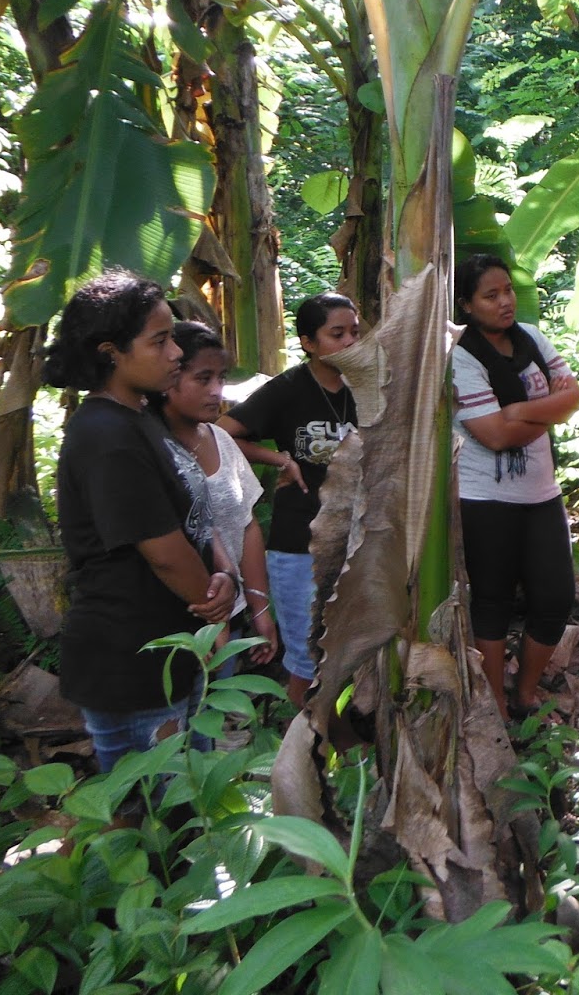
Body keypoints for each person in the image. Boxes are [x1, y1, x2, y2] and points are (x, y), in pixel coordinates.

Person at [43, 271, 235, 771]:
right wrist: (213, 606)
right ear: (111, 353)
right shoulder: (106, 435)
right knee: (155, 801)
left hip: (169, 648)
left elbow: (188, 521)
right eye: (160, 340)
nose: (176, 353)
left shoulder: (140, 418)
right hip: (132, 658)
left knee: (185, 793)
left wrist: (219, 577)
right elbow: (164, 552)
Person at [452, 254, 579, 722]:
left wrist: (519, 411)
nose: (505, 301)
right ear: (466, 305)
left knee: (555, 598)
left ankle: (526, 692)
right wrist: (549, 409)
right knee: (492, 602)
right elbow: (493, 435)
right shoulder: (460, 355)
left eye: (507, 290)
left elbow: (573, 397)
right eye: (491, 295)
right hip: (485, 499)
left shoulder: (531, 338)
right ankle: (496, 706)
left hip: (542, 493)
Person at [220, 293, 359, 707]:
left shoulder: (366, 387)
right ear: (308, 343)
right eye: (337, 334)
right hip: (300, 541)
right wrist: (279, 459)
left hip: (357, 538)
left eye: (355, 333)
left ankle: (336, 732)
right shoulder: (288, 389)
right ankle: (306, 735)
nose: (350, 342)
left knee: (350, 650)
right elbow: (221, 433)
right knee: (306, 655)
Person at [157, 321, 280, 677]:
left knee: (219, 705)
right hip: (174, 624)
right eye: (203, 378)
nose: (217, 391)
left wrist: (259, 608)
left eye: (221, 378)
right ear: (168, 377)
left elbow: (247, 525)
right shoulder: (149, 448)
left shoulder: (220, 439)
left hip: (231, 612)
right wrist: (213, 619)